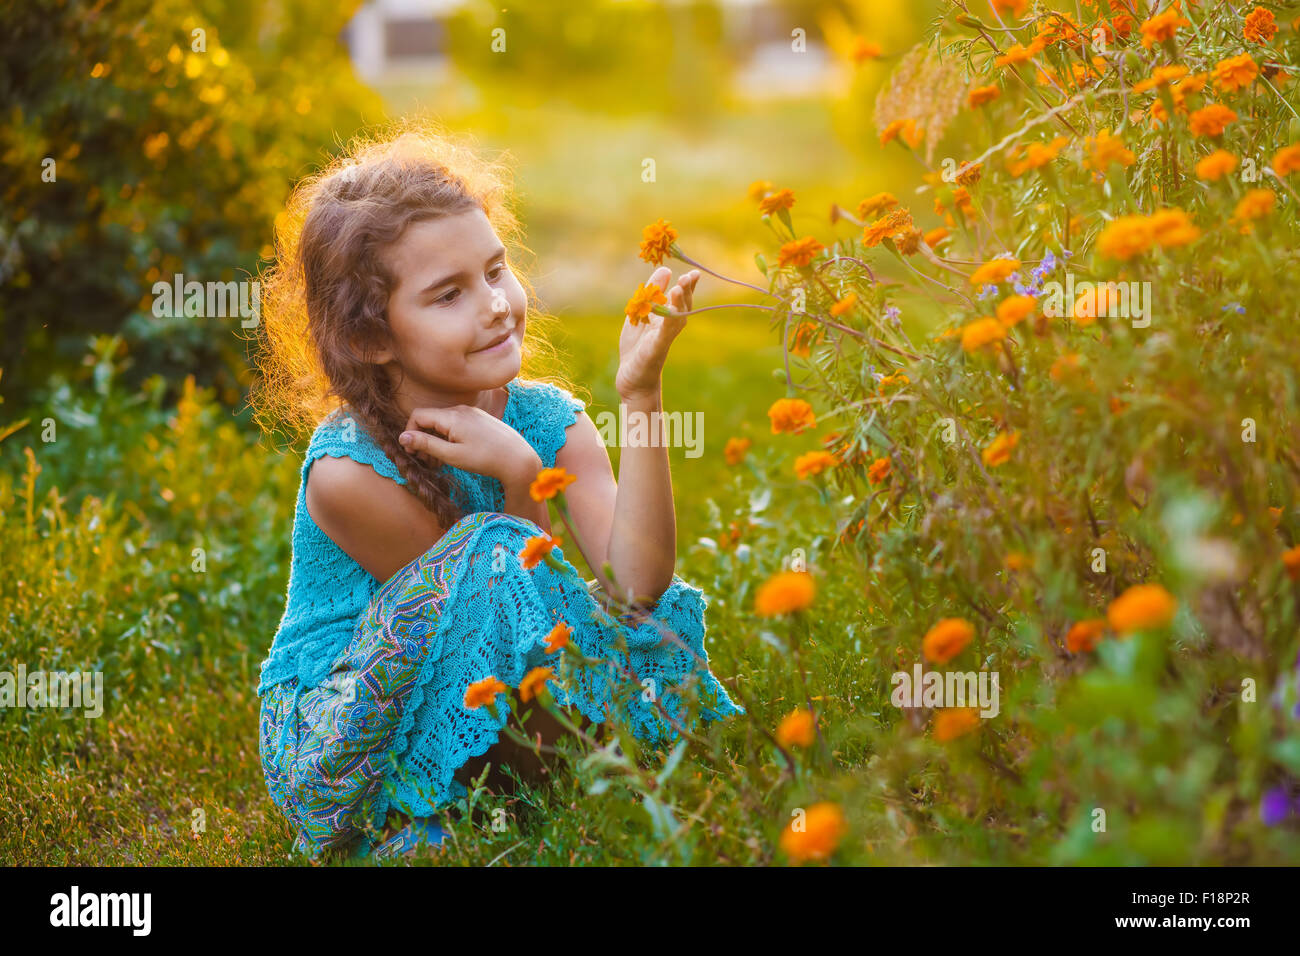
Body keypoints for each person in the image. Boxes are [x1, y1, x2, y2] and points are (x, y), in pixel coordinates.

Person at [247, 124, 742, 862]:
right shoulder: (348, 475)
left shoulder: (544, 419)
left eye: (495, 269)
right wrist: (520, 482)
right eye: (448, 294)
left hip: (507, 685)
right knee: (488, 553)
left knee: (655, 614)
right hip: (353, 728)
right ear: (370, 338)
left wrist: (640, 395)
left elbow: (636, 583)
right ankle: (500, 794)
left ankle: (556, 781)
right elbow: (492, 618)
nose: (495, 305)